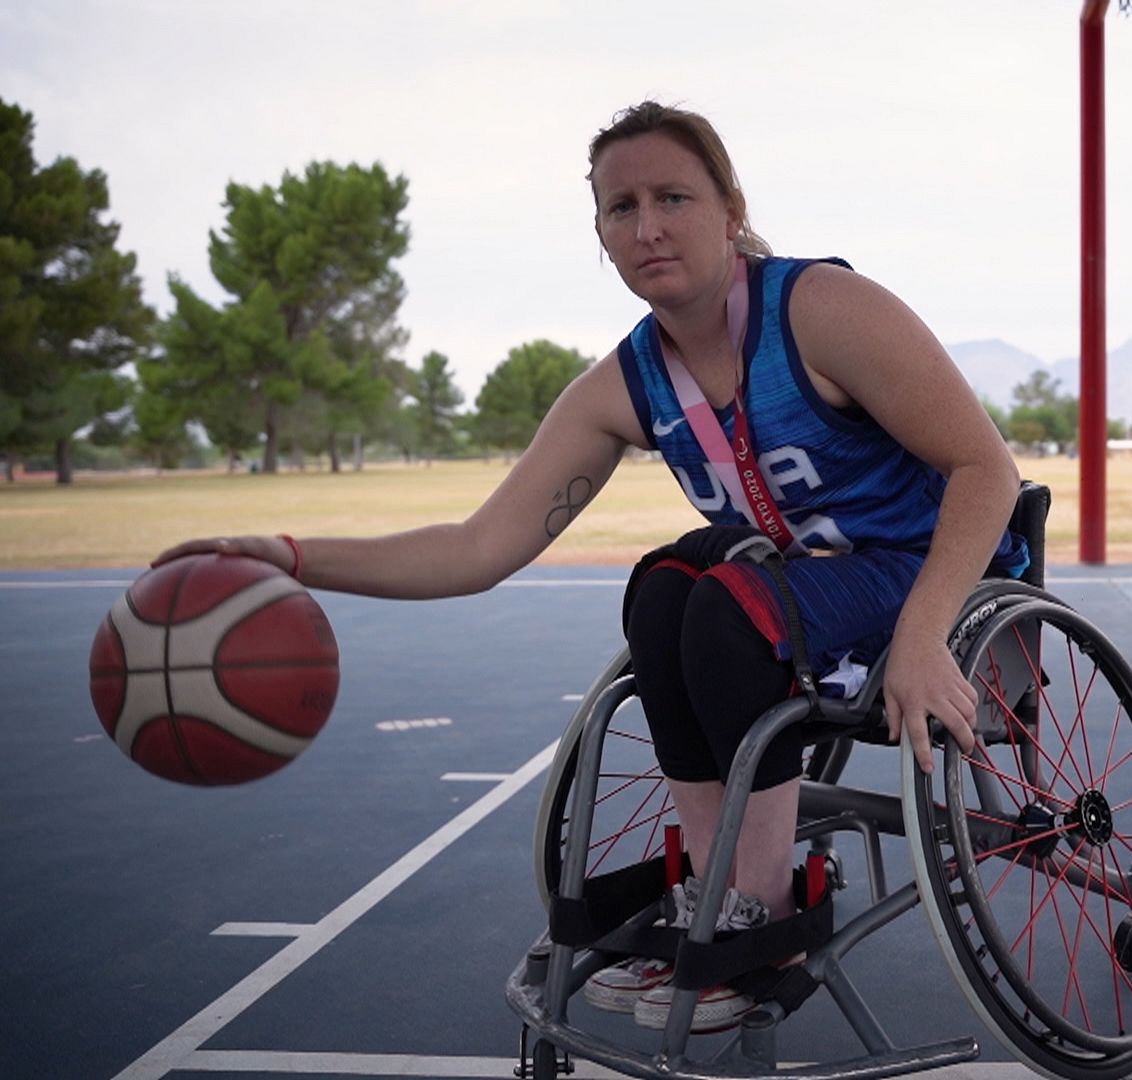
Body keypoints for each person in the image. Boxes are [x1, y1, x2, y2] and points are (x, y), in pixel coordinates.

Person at [154, 101, 1028, 1032]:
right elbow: (476, 548)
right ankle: (716, 892)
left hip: (932, 569)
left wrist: (928, 631)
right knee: (663, 590)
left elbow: (989, 470)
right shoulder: (629, 382)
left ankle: (763, 919)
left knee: (727, 603)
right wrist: (289, 558)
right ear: (602, 234)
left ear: (730, 208)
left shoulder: (818, 311)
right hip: (801, 595)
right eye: (619, 208)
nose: (646, 227)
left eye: (672, 198)